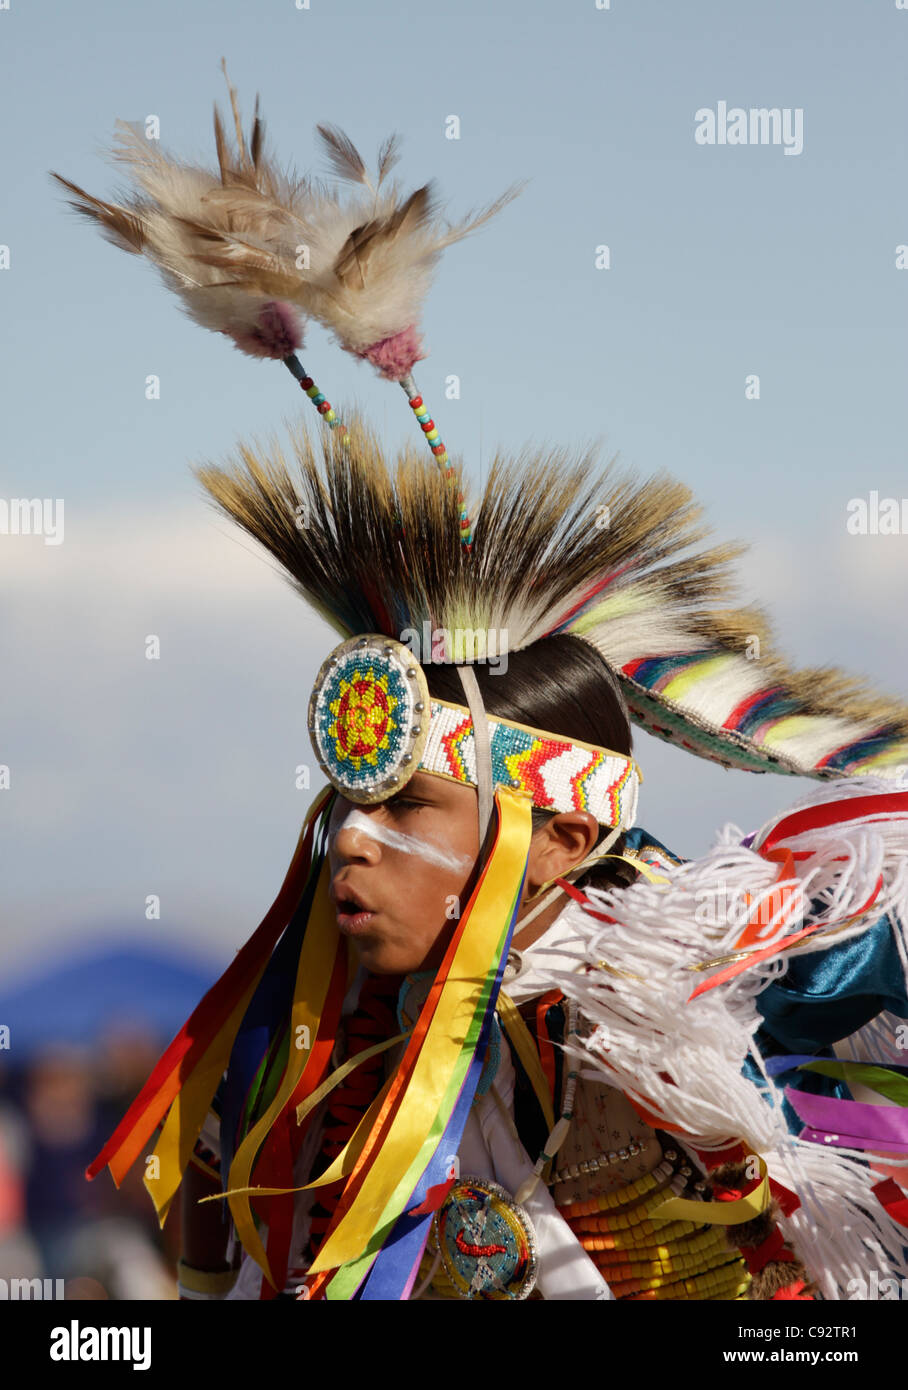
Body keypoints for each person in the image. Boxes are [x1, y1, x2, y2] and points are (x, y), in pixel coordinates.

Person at [87, 419, 908, 1302]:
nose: (354, 838)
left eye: (406, 803)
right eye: (348, 803)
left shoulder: (679, 1016)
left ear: (562, 840)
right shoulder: (309, 1036)